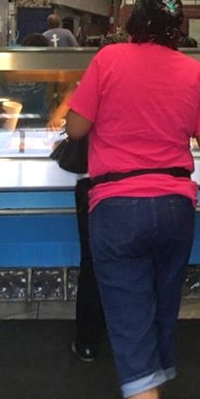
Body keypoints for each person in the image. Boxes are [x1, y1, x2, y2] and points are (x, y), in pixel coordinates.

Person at [66, 0, 200, 399]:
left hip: (117, 206)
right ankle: (153, 384)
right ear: (178, 28)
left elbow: (76, 129)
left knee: (128, 314)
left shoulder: (108, 59)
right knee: (162, 303)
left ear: (134, 22)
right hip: (175, 207)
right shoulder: (195, 72)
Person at [71, 30, 129, 365]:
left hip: (96, 182)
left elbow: (74, 128)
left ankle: (88, 340)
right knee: (132, 264)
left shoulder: (96, 75)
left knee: (93, 263)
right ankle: (130, 338)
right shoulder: (141, 80)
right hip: (136, 184)